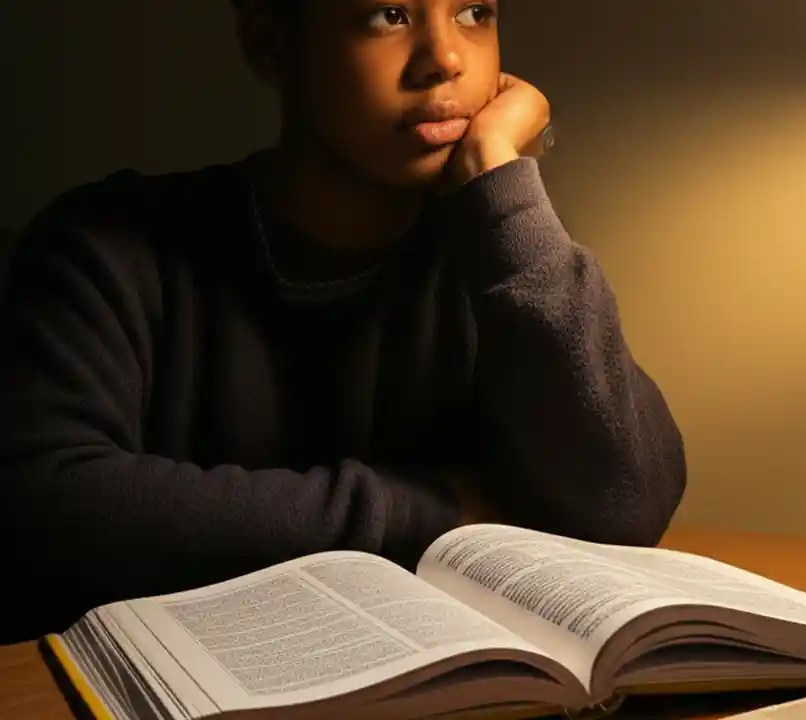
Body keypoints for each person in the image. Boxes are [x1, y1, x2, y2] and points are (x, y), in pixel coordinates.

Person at [0, 0, 686, 643]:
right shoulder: (108, 246)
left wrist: (502, 183)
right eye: (388, 15)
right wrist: (435, 512)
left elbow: (623, 507)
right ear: (271, 44)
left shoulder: (497, 252)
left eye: (474, 12)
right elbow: (45, 509)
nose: (445, 59)